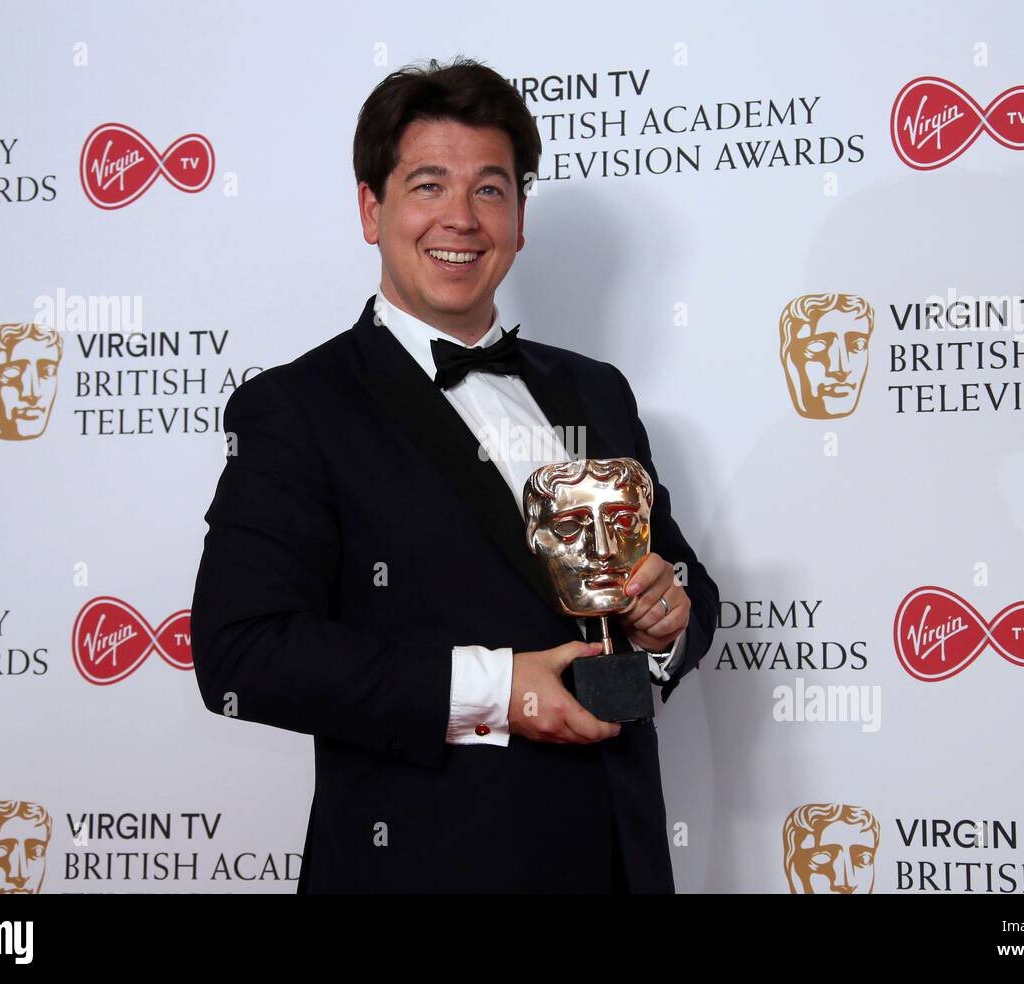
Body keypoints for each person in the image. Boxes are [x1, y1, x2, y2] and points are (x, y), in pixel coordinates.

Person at [190, 56, 719, 893]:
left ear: (519, 221)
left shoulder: (595, 389)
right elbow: (241, 653)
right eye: (429, 185)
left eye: (491, 190)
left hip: (621, 862)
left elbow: (684, 587)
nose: (462, 219)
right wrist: (499, 689)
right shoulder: (298, 409)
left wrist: (666, 623)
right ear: (373, 208)